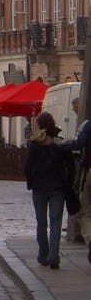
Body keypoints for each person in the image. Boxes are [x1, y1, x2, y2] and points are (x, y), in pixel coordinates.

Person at [24, 111, 76, 269]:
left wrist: (30, 182)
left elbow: (27, 167)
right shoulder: (60, 142)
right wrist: (68, 183)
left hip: (39, 187)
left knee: (41, 222)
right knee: (56, 222)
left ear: (39, 125)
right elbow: (71, 166)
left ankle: (43, 254)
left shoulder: (34, 143)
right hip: (57, 188)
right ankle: (53, 256)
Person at [66, 96, 91, 265]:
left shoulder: (89, 126)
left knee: (85, 211)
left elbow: (78, 144)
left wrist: (64, 146)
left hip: (90, 170)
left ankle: (90, 239)